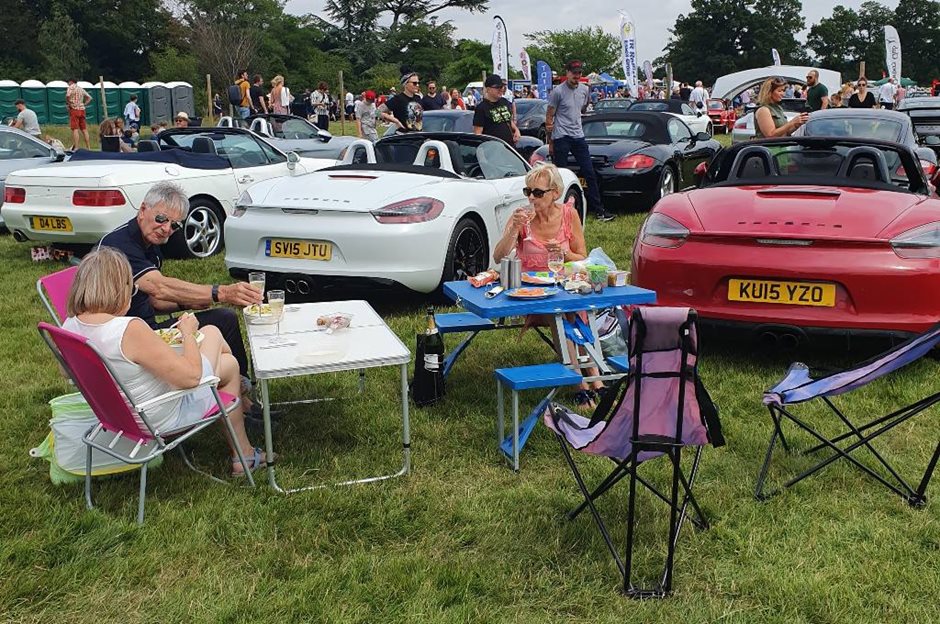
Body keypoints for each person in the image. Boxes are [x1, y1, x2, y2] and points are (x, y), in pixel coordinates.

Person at [62, 247, 269, 476]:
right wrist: (188, 332)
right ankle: (243, 451)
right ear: (118, 289)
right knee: (214, 337)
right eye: (131, 287)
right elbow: (190, 378)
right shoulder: (128, 330)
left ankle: (244, 444)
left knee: (227, 362)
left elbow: (68, 373)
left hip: (116, 415)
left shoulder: (70, 326)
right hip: (156, 416)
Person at [97, 181, 262, 398]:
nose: (166, 229)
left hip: (148, 330)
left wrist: (193, 303)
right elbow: (159, 287)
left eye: (174, 225)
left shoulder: (149, 243)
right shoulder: (119, 246)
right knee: (219, 324)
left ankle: (240, 391)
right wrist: (221, 293)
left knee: (224, 318)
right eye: (161, 219)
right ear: (143, 209)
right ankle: (237, 393)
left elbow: (154, 302)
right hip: (131, 342)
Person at [491, 163, 603, 408]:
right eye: (527, 191)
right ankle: (580, 385)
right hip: (532, 293)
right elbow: (498, 257)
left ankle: (595, 380)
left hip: (564, 286)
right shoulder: (522, 217)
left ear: (555, 193)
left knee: (573, 311)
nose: (531, 197)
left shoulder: (568, 215)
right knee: (559, 314)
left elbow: (582, 256)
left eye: (538, 193)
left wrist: (563, 253)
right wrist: (514, 230)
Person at [547, 60, 613, 222]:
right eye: (574, 73)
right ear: (567, 73)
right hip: (561, 136)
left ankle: (599, 210)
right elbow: (549, 117)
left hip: (578, 136)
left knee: (589, 172)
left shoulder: (585, 90)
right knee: (560, 174)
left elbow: (582, 108)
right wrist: (551, 142)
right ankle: (557, 210)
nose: (576, 76)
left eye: (579, 73)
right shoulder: (558, 92)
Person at [473, 74, 520, 146]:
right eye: (498, 87)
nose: (501, 89)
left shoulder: (505, 102)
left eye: (502, 87)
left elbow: (508, 120)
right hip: (493, 150)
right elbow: (478, 134)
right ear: (488, 89)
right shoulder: (481, 108)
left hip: (509, 148)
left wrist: (516, 130)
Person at [66, 78, 92, 151]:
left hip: (74, 109)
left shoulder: (71, 87)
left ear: (71, 82)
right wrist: (84, 104)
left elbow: (67, 96)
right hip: (82, 110)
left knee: (75, 129)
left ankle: (76, 147)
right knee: (84, 129)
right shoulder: (80, 89)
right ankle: (88, 147)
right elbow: (89, 98)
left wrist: (69, 103)